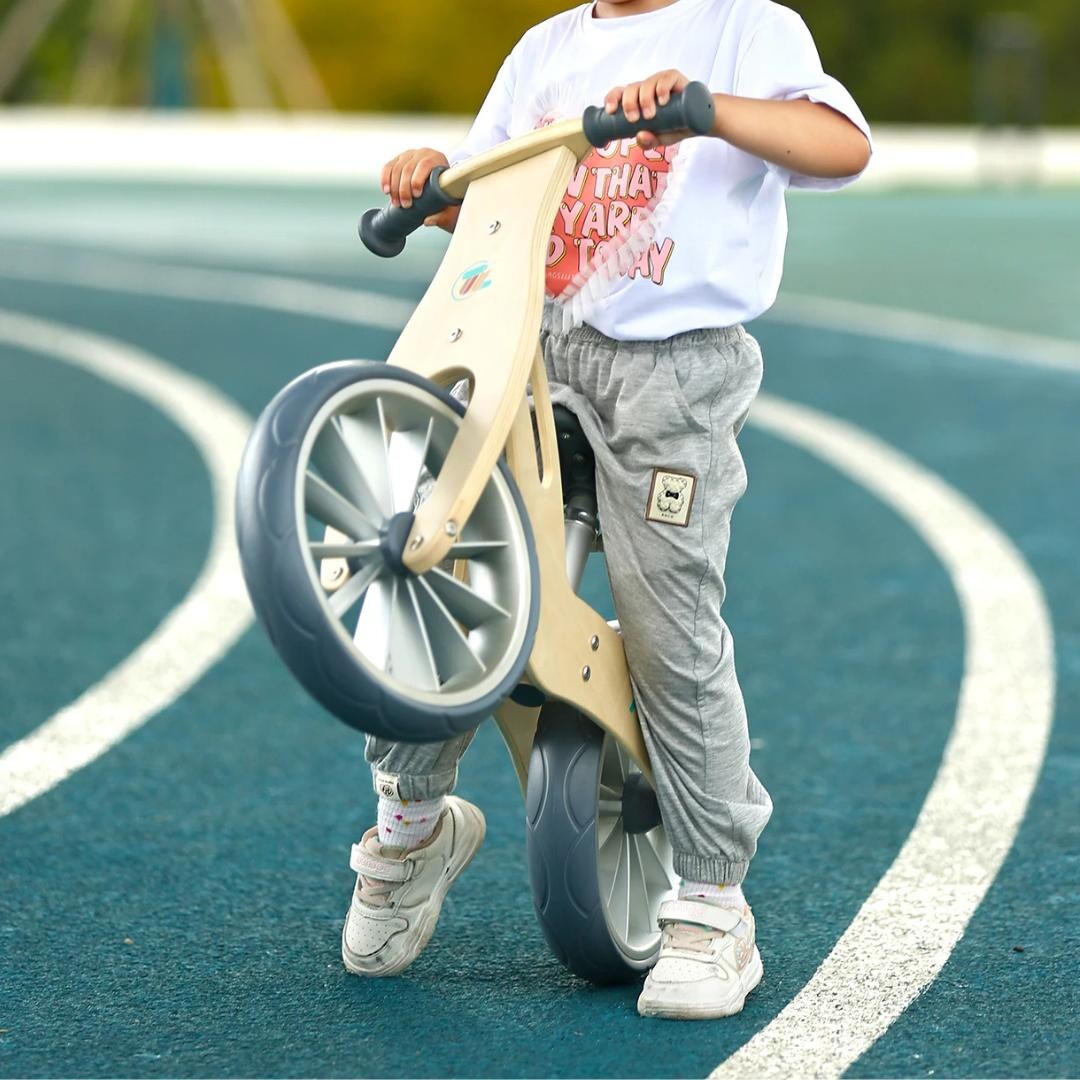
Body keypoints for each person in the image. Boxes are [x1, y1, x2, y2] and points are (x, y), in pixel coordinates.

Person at [343, 0, 871, 1020]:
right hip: (533, 351)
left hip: (671, 376)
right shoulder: (546, 49)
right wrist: (434, 185)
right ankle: (411, 824)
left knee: (670, 628)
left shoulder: (744, 27)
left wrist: (709, 111)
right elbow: (498, 199)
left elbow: (839, 145)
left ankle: (713, 899)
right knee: (438, 575)